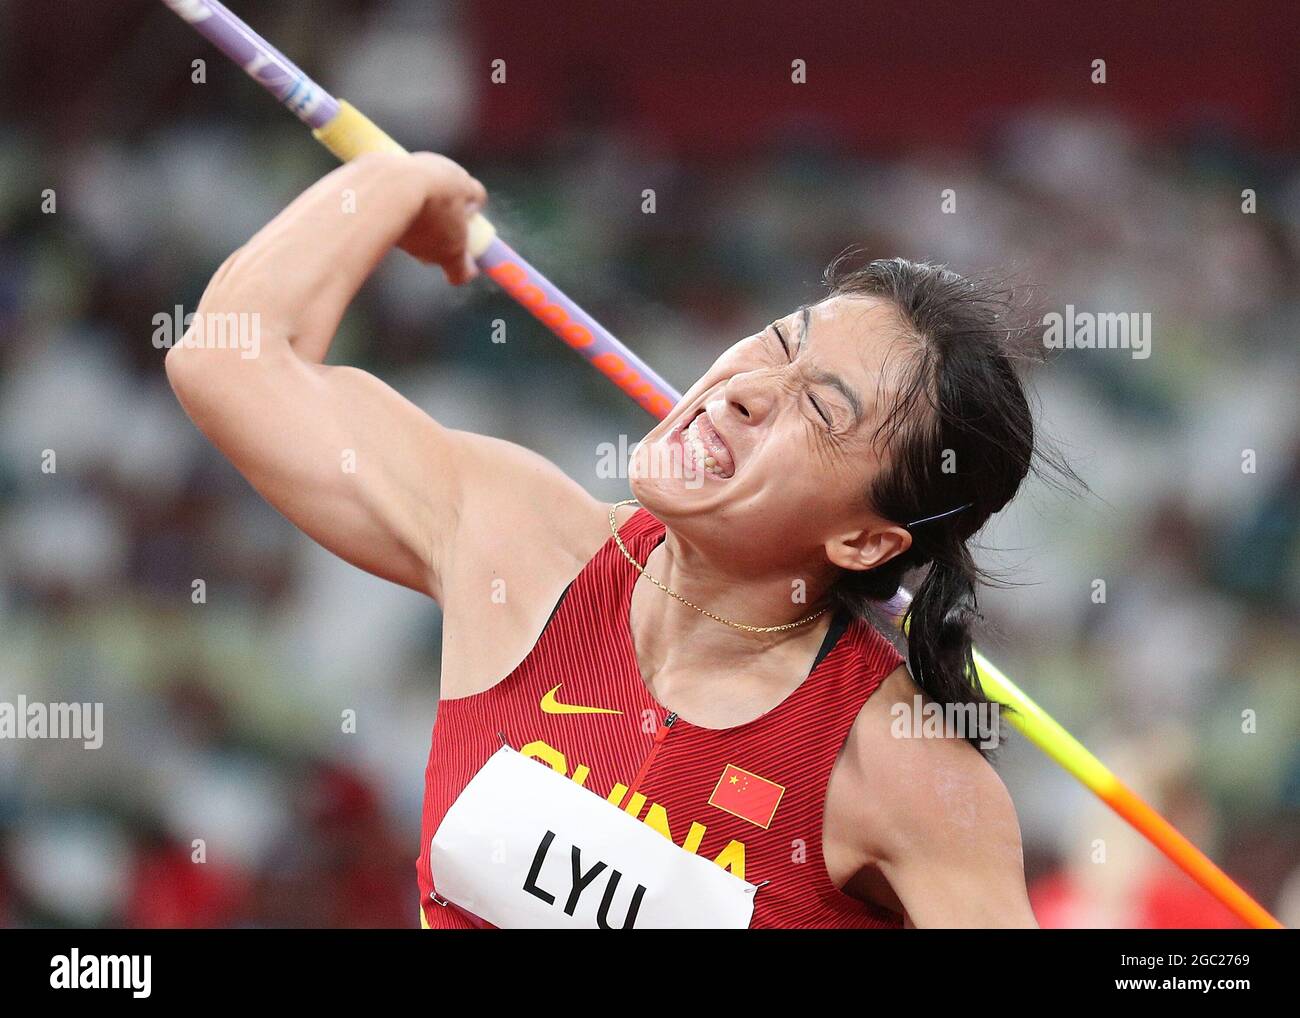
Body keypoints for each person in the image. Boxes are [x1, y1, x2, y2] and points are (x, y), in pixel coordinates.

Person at [166, 151, 1042, 928]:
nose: (745, 388)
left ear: (861, 541)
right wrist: (397, 184)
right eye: (777, 342)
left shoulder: (905, 776)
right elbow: (230, 361)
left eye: (818, 406)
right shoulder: (518, 546)